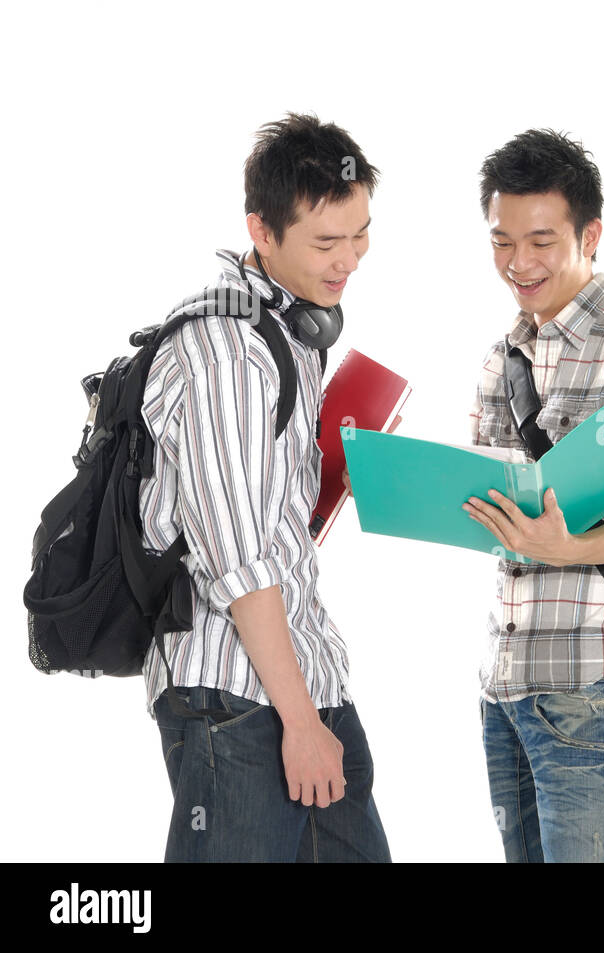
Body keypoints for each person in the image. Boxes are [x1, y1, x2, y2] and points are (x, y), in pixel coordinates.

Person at [141, 113, 390, 862]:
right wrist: (300, 722)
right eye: (325, 242)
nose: (348, 260)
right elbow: (238, 561)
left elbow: (261, 520)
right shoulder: (229, 353)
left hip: (304, 678)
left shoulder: (287, 336)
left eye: (361, 234)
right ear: (262, 229)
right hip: (239, 699)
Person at [465, 129, 604, 863]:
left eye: (540, 241)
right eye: (502, 241)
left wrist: (576, 547)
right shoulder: (502, 358)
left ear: (590, 234)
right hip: (504, 679)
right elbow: (486, 500)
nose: (518, 264)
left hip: (588, 682)